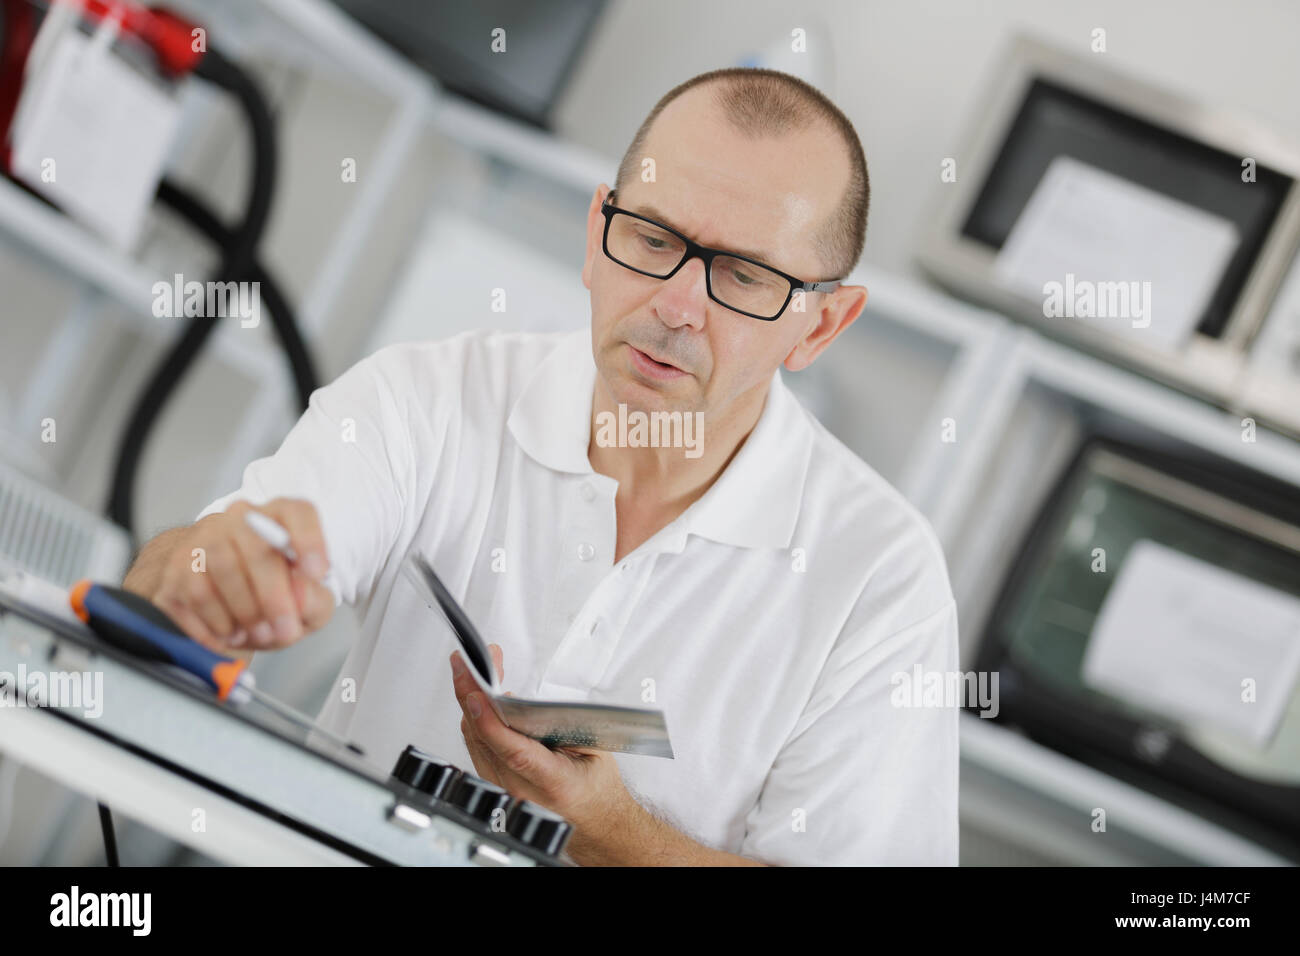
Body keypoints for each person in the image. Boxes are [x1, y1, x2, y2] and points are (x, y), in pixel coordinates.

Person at [123, 67, 959, 866]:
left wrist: (604, 827)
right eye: (652, 237)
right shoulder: (431, 398)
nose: (676, 306)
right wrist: (215, 574)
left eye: (744, 277)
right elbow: (186, 570)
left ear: (820, 327)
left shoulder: (881, 581)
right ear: (598, 233)